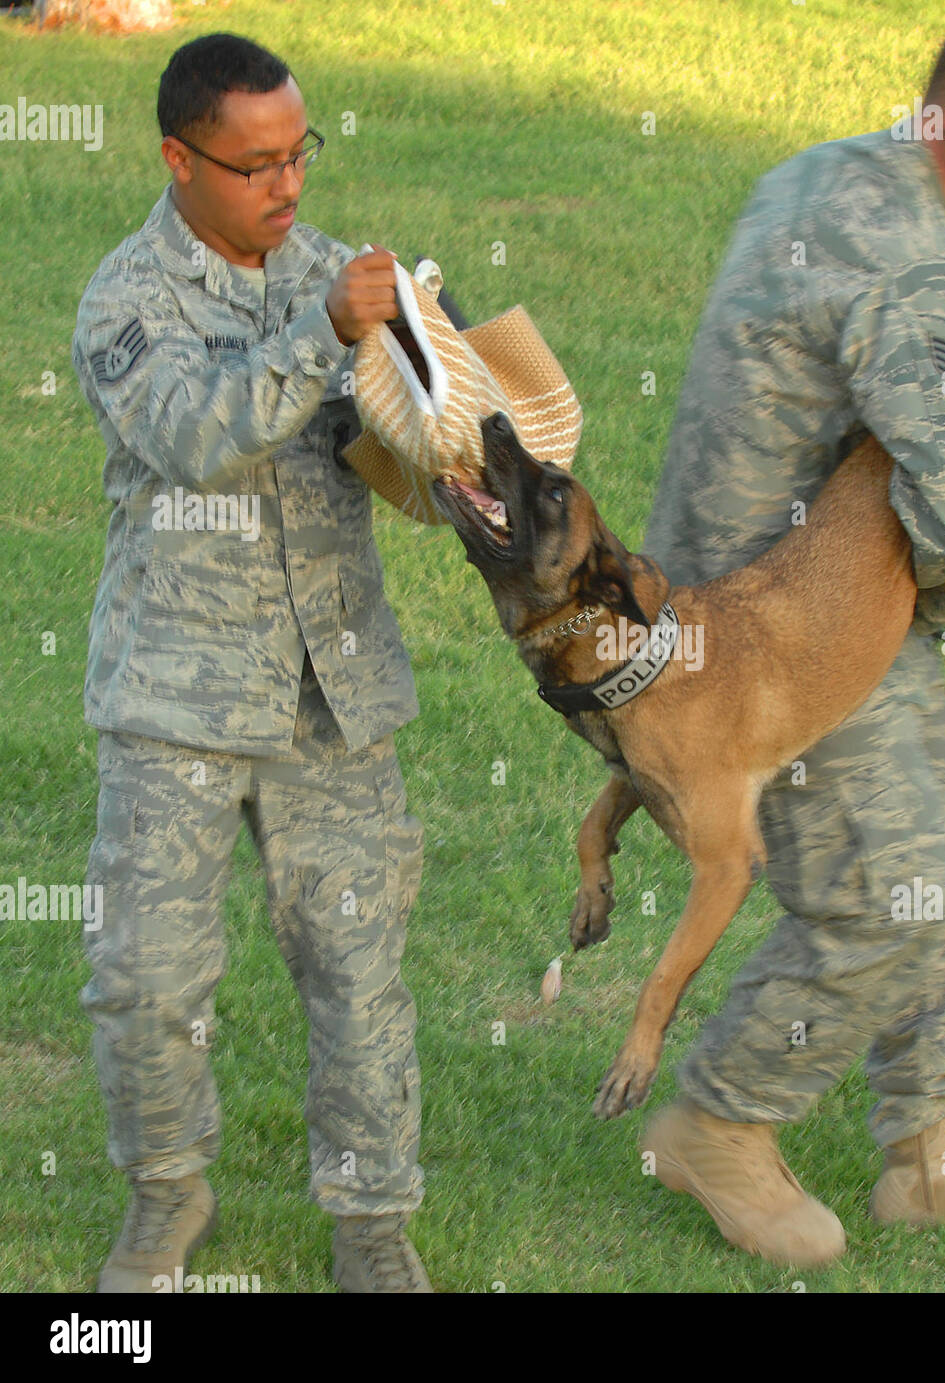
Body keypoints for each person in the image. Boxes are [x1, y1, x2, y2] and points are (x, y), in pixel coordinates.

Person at [638, 10, 945, 1265]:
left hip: (791, 586)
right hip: (777, 638)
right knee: (889, 896)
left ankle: (931, 1157)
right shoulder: (912, 265)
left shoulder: (818, 172)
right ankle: (719, 1124)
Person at [73, 32, 452, 1293]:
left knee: (357, 969)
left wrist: (448, 410)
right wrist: (318, 334)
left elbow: (410, 468)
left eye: (302, 155)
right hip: (175, 692)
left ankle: (371, 1224)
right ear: (180, 161)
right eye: (256, 166)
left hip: (328, 692)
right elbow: (193, 437)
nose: (288, 188)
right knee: (146, 974)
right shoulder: (124, 300)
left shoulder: (340, 275)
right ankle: (168, 1195)